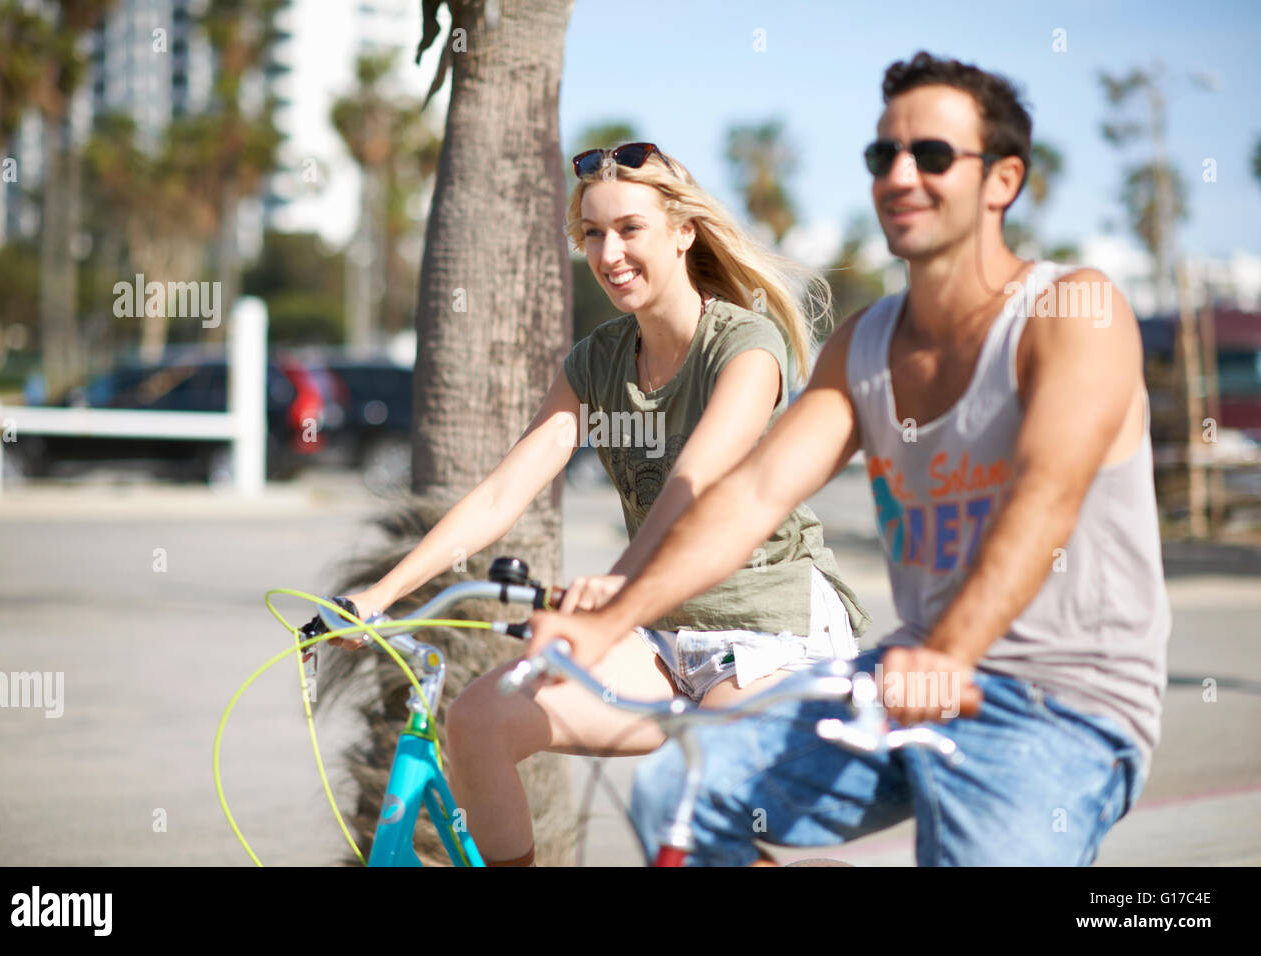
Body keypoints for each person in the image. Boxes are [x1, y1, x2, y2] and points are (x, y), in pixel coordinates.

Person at [529, 52, 1171, 866]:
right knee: (676, 794)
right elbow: (751, 494)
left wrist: (950, 648)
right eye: (883, 156)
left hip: (1061, 701)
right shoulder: (868, 344)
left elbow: (1043, 499)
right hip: (905, 678)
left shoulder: (1073, 313)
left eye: (932, 155)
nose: (901, 175)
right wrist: (609, 621)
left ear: (1003, 181)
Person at [338, 142, 870, 866]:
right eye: (592, 233)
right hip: (661, 640)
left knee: (701, 808)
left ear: (684, 232)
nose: (609, 251)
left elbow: (693, 486)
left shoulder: (746, 347)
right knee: (478, 721)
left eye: (630, 228)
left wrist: (617, 590)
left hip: (770, 635)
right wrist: (382, 594)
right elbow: (504, 492)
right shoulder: (599, 360)